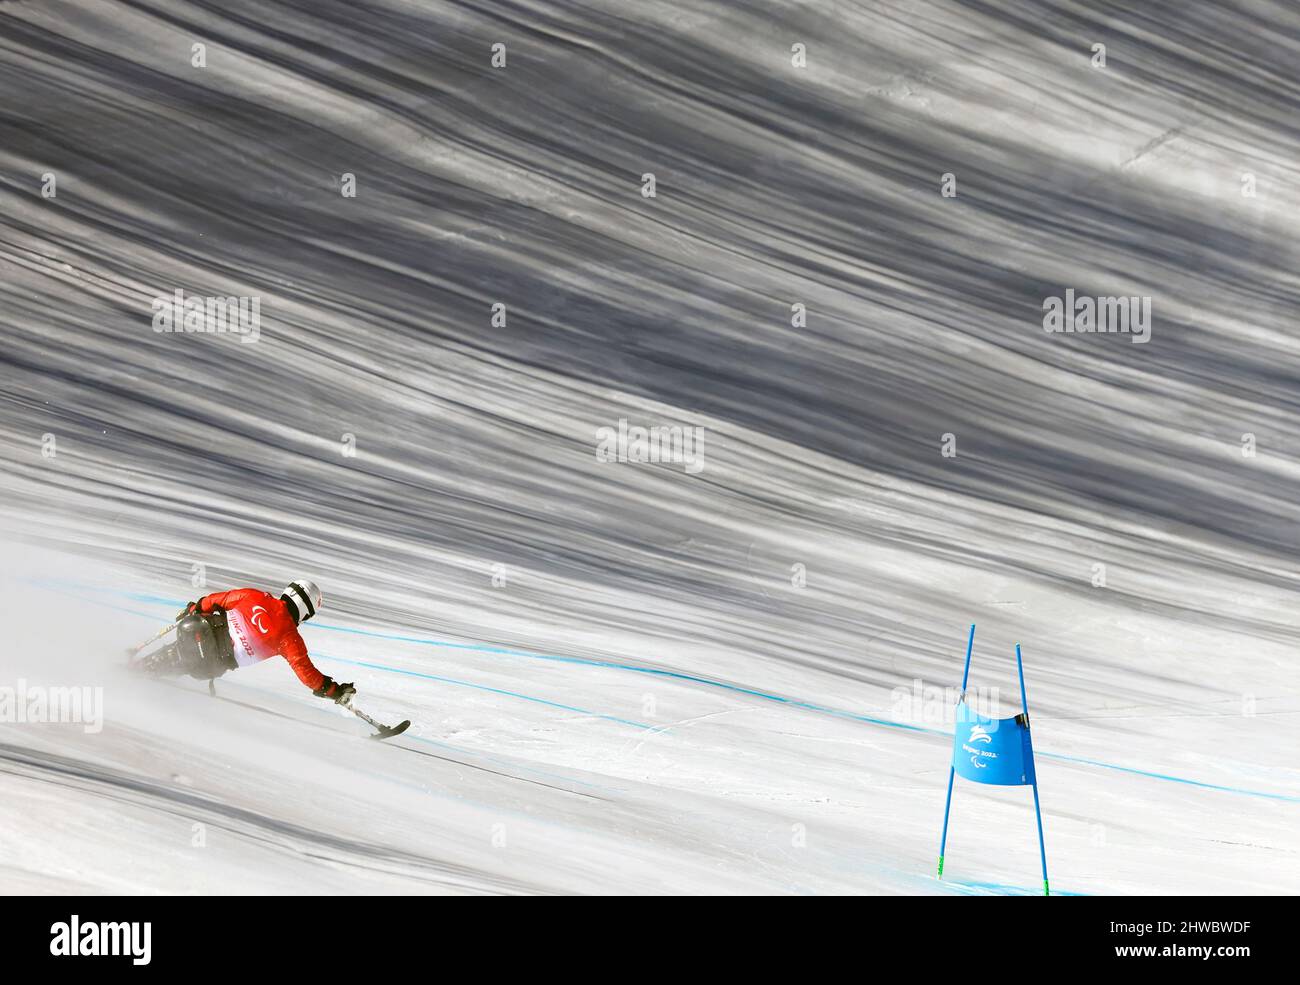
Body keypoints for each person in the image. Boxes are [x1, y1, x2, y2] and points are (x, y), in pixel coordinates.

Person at [132, 578, 355, 705]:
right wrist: (333, 690)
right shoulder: (290, 638)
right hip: (210, 664)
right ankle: (132, 681)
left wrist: (194, 607)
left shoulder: (256, 596)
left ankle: (130, 674)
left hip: (198, 631)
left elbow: (215, 600)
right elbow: (307, 674)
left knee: (169, 657)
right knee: (177, 665)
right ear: (307, 612)